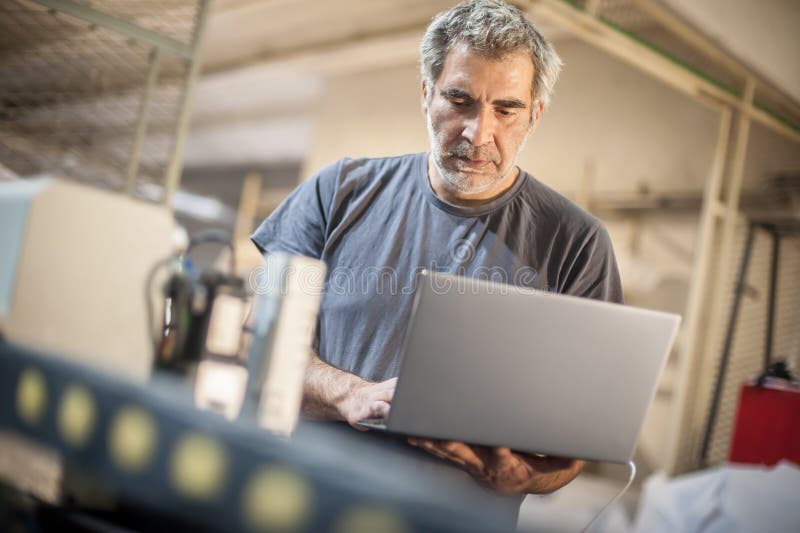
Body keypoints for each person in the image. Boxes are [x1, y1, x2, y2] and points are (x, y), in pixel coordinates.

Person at [251, 0, 622, 524]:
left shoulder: (576, 244)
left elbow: (574, 444)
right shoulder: (337, 193)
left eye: (507, 109)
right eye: (459, 99)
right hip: (305, 506)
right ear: (426, 94)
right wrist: (347, 396)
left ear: (534, 116)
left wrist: (521, 477)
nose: (478, 132)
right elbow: (257, 345)